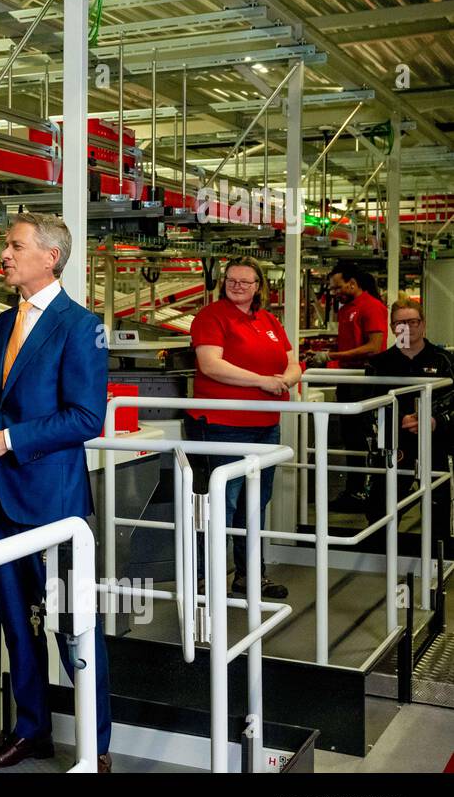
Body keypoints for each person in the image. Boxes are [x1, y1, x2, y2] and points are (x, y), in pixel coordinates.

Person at [0, 212, 113, 773]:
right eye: (6, 245)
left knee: (75, 625)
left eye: (15, 246)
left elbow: (85, 417)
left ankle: (95, 748)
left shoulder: (82, 326)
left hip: (53, 504)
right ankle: (32, 732)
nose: (4, 254)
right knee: (17, 625)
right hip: (1, 498)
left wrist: (8, 440)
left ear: (50, 256)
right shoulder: (5, 323)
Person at [185, 256, 300, 599]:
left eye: (245, 281)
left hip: (265, 426)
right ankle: (206, 580)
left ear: (258, 287)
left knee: (256, 503)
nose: (237, 286)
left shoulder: (268, 320)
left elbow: (293, 362)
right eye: (231, 280)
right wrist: (264, 382)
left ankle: (250, 576)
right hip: (222, 425)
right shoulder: (211, 317)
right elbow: (211, 365)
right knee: (221, 504)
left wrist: (285, 380)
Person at [365, 297, 454, 547]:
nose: (407, 327)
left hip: (437, 443)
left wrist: (437, 421)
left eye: (413, 321)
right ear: (393, 327)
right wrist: (398, 418)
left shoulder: (443, 361)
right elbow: (370, 407)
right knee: (381, 506)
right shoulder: (379, 363)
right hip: (395, 445)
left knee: (439, 503)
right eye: (400, 323)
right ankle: (381, 557)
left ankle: (439, 561)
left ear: (423, 324)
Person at [309, 262, 388, 510]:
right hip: (348, 381)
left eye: (337, 287)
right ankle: (353, 490)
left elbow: (375, 347)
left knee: (364, 438)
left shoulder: (372, 307)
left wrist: (333, 357)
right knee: (350, 438)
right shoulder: (346, 309)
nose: (334, 293)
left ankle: (366, 491)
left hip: (364, 381)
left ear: (352, 283)